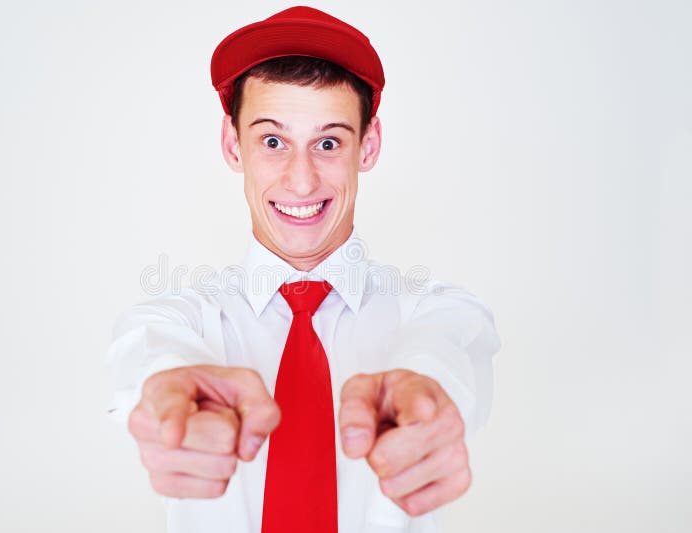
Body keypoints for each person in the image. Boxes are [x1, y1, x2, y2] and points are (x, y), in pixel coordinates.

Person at [105, 6, 501, 533]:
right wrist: (169, 391)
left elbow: (448, 350)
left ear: (370, 144)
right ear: (232, 144)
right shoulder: (178, 319)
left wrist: (426, 392)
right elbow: (147, 353)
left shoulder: (435, 311)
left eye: (328, 142)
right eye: (273, 141)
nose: (300, 180)